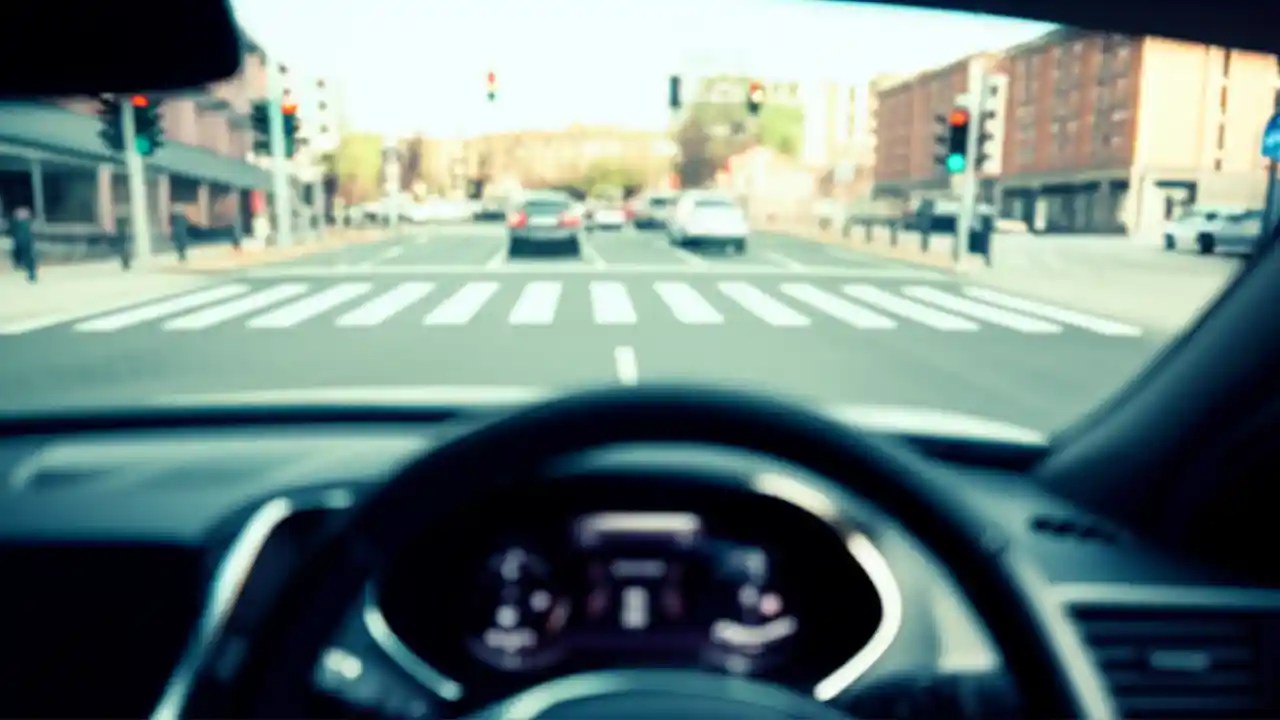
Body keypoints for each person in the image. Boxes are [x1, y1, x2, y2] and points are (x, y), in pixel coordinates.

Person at [10, 207, 36, 282]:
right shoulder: (23, 224)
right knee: (27, 255)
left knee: (26, 255)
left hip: (22, 240)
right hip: (23, 240)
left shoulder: (19, 224)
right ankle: (30, 271)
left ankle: (29, 271)